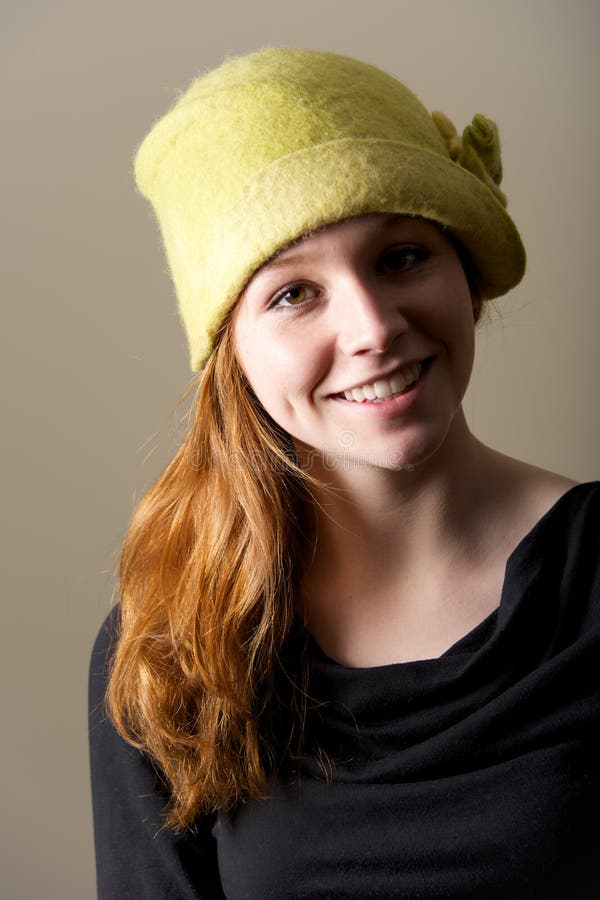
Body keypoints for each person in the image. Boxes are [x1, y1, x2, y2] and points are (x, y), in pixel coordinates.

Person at [89, 48, 600, 899]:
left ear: (464, 272)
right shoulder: (170, 645)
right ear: (231, 351)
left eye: (401, 256)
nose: (372, 326)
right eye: (293, 294)